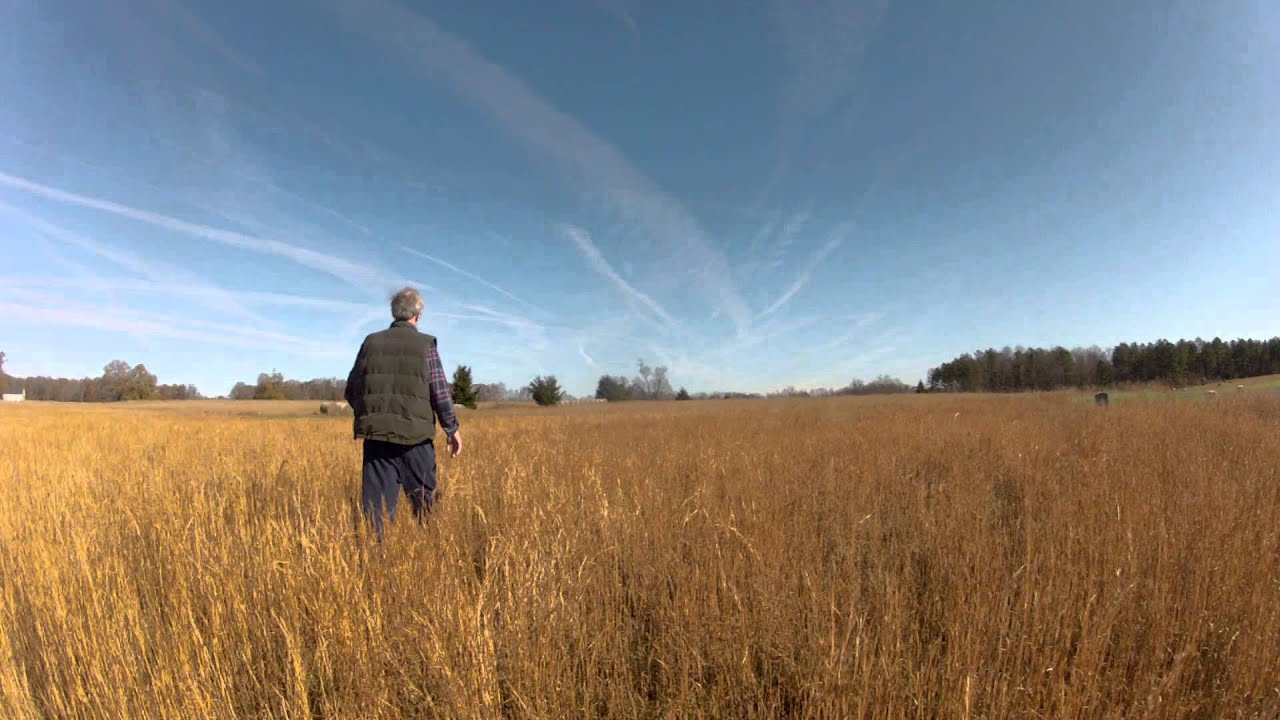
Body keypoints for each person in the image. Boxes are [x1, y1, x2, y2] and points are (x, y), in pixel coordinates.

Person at [344, 286, 462, 536]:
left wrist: (374, 415)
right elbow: (439, 391)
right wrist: (451, 429)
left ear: (394, 313)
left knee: (377, 514)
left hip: (377, 441)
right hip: (416, 441)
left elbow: (352, 390)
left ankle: (376, 564)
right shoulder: (425, 344)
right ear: (417, 316)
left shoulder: (370, 342)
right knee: (427, 509)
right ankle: (433, 557)